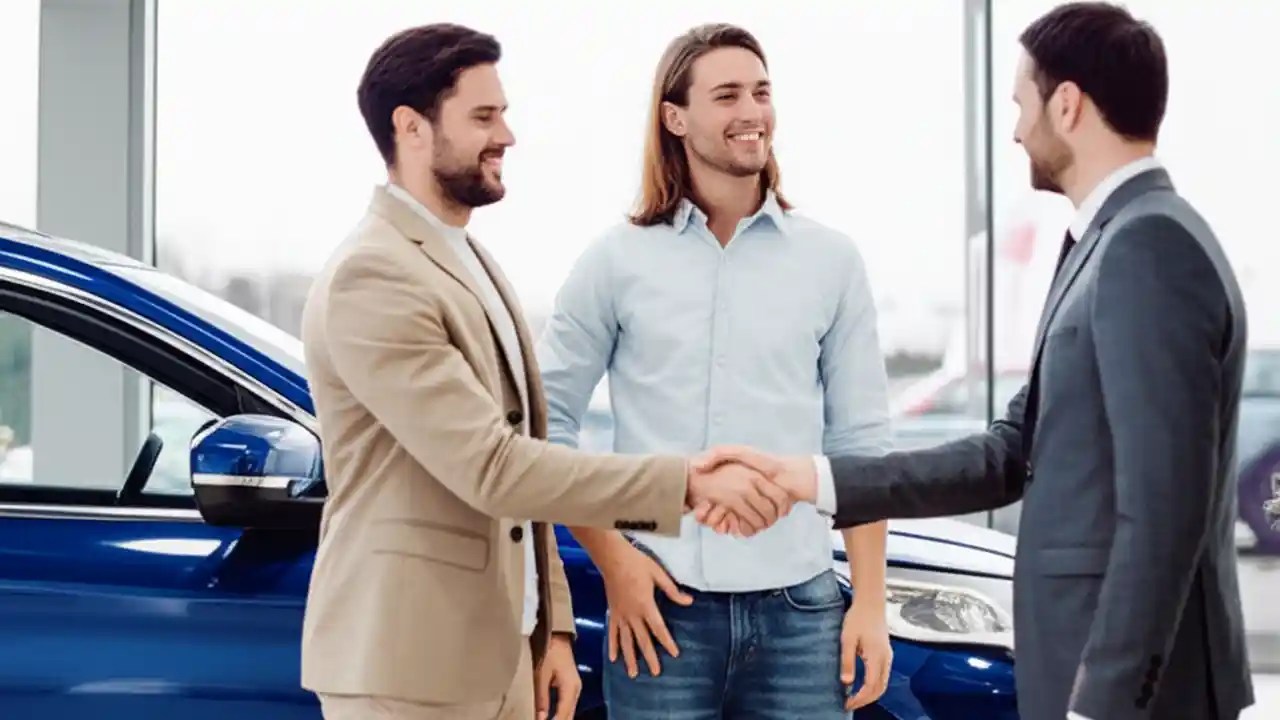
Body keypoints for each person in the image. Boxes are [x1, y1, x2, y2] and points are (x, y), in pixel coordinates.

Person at [695, 4, 1256, 719]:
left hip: (1126, 696)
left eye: (1022, 105)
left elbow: (1163, 511)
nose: (1017, 130)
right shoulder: (1107, 243)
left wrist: (1103, 705)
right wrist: (812, 479)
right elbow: (1009, 454)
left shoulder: (1146, 247)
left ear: (1067, 104)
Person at [298, 23, 793, 720]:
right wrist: (684, 485)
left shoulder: (465, 257)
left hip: (494, 657)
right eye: (483, 116)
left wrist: (550, 627)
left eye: (503, 113)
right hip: (408, 667)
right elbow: (495, 468)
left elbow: (526, 458)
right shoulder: (374, 276)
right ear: (410, 127)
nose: (506, 135)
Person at [535, 23, 894, 718]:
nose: (752, 112)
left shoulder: (831, 261)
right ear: (675, 118)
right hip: (658, 612)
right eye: (727, 95)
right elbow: (545, 430)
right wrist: (616, 563)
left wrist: (871, 605)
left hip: (802, 614)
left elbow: (861, 442)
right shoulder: (615, 261)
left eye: (761, 92)